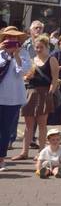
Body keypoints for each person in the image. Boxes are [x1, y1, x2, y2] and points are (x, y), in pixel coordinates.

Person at [17, 36, 61, 160]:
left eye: (41, 47)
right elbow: (26, 76)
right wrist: (27, 77)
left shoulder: (52, 60)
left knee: (42, 124)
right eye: (36, 47)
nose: (38, 49)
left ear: (47, 47)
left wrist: (50, 93)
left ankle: (42, 153)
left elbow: (54, 80)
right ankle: (24, 152)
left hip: (45, 93)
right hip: (31, 92)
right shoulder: (32, 60)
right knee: (28, 125)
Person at [0, 28, 30, 166]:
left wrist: (16, 55)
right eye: (9, 37)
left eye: (15, 38)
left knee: (5, 128)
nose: (12, 40)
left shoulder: (24, 53)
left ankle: (1, 158)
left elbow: (23, 72)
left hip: (13, 98)